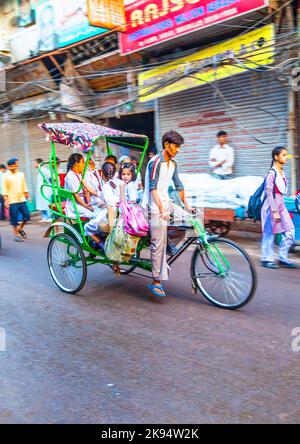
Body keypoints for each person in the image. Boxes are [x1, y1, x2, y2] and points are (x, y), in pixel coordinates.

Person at [142, 130, 196, 298]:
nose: (178, 149)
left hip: (167, 203)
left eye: (179, 147)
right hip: (152, 206)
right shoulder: (155, 162)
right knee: (157, 244)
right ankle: (156, 281)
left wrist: (187, 207)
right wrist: (161, 210)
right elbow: (153, 188)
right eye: (176, 146)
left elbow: (179, 185)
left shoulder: (173, 163)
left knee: (191, 221)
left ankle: (168, 244)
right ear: (166, 145)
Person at [261, 147, 297, 269]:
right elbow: (269, 193)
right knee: (269, 234)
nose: (286, 157)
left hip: (281, 204)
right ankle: (266, 259)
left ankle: (282, 258)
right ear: (276, 157)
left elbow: (281, 191)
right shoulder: (271, 173)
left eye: (287, 155)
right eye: (284, 155)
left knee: (290, 231)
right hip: (271, 205)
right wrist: (275, 211)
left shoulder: (282, 172)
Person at [64, 154, 106, 249]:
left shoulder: (80, 174)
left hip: (84, 201)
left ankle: (101, 235)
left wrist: (89, 203)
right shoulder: (70, 177)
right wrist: (86, 206)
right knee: (95, 214)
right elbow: (75, 196)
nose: (84, 165)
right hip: (75, 205)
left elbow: (86, 190)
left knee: (102, 209)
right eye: (82, 162)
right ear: (75, 164)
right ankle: (97, 240)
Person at [2, 158, 31, 242]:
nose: (16, 166)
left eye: (17, 165)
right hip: (12, 201)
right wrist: (6, 200)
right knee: (14, 220)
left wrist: (28, 196)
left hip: (22, 199)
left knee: (26, 216)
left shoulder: (21, 174)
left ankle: (20, 229)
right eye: (14, 165)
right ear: (9, 166)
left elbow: (24, 186)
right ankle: (17, 235)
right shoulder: (5, 176)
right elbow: (4, 189)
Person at [34, 158, 52, 222]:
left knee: (46, 204)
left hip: (46, 191)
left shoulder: (44, 170)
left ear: (39, 163)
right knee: (42, 204)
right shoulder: (40, 171)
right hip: (41, 191)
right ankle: (44, 218)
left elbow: (50, 177)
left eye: (35, 163)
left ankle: (49, 217)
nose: (34, 165)